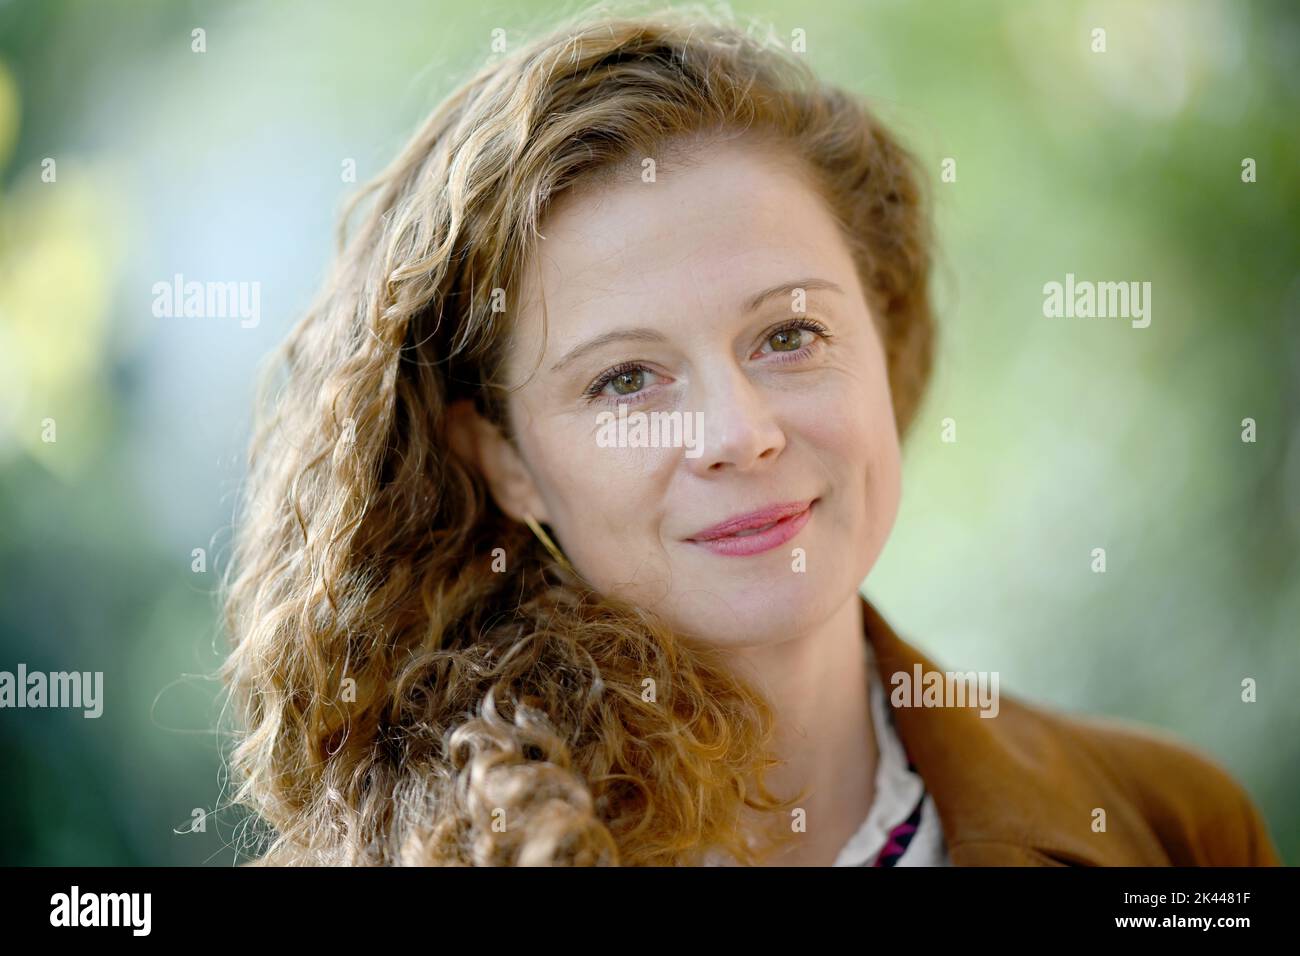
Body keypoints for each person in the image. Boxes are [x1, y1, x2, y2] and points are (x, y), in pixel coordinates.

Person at [222, 6, 1281, 867]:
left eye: (788, 333)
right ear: (503, 459)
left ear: (883, 335)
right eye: (625, 378)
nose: (739, 432)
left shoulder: (1172, 827)